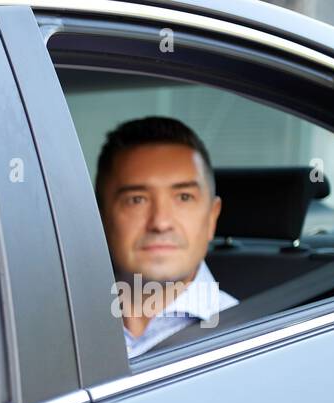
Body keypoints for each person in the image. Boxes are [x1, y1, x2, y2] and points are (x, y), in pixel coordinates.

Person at [96, 116, 239, 358]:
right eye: (136, 200)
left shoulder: (252, 337)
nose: (160, 222)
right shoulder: (49, 324)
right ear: (99, 216)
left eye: (183, 197)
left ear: (212, 218)